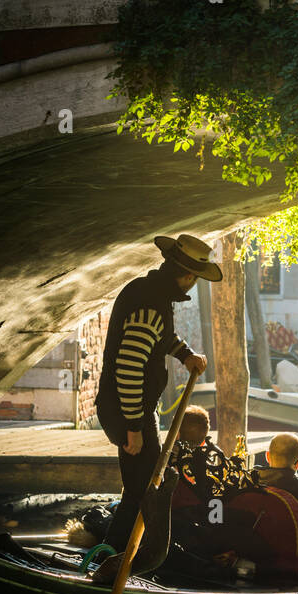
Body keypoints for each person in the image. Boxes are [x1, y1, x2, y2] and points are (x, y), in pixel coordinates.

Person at [96, 234, 217, 552]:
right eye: (196, 279)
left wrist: (185, 354)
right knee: (142, 491)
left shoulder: (150, 293)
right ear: (189, 276)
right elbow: (129, 368)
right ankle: (115, 559)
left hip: (130, 408)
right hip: (127, 410)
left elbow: (160, 335)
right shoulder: (151, 303)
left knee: (141, 486)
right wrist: (134, 427)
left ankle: (121, 555)